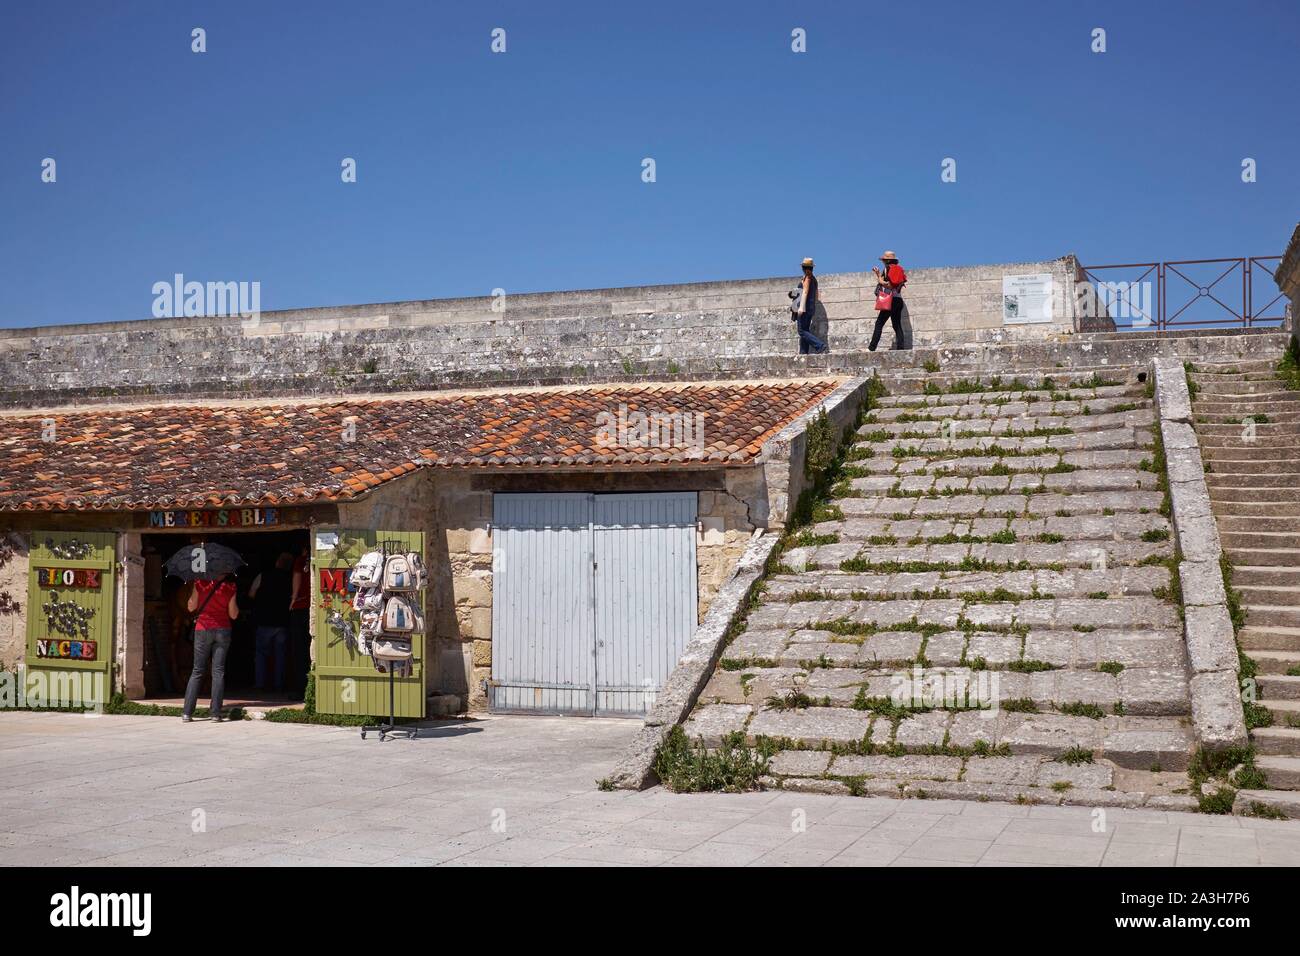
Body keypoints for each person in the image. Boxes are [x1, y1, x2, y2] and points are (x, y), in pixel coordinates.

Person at [182, 573, 239, 722]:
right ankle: (215, 713)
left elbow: (191, 607)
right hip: (223, 629)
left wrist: (191, 598)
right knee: (218, 671)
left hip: (202, 629)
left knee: (197, 670)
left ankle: (187, 713)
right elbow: (233, 615)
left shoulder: (200, 583)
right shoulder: (230, 587)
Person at [249, 552, 294, 693]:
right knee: (280, 655)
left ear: (277, 562)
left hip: (264, 621)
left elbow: (251, 594)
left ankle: (260, 684)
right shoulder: (291, 578)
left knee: (261, 654)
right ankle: (278, 685)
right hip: (282, 622)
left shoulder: (263, 575)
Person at [869, 250, 908, 351]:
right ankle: (900, 347)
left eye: (884, 260)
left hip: (890, 300)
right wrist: (878, 274)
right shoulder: (899, 269)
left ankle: (872, 347)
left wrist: (880, 279)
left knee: (879, 323)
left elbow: (889, 285)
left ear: (887, 261)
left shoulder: (889, 269)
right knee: (897, 325)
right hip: (898, 301)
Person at [288, 545, 311, 695]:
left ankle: (299, 688)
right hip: (311, 607)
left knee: (299, 650)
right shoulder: (311, 560)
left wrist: (293, 600)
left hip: (301, 607)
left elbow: (296, 581)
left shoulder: (300, 561)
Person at [794, 257, 828, 355]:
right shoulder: (814, 279)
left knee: (801, 331)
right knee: (805, 330)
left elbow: (804, 292)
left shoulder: (807, 278)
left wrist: (801, 307)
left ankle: (820, 345)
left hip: (804, 307)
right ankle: (803, 352)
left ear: (804, 268)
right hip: (810, 308)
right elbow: (816, 296)